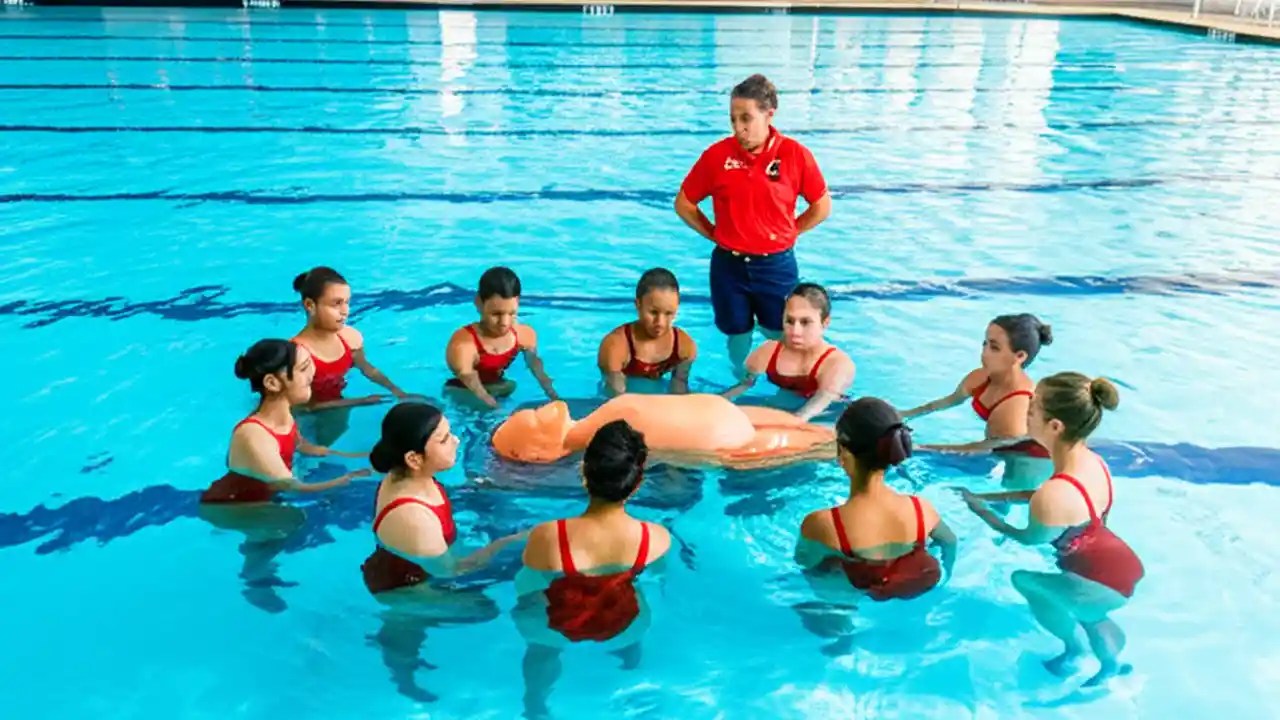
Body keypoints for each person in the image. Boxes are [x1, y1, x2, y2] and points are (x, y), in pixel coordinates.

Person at [958, 373, 1144, 687]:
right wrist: (998, 497)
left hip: (1098, 585)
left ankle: (1078, 652)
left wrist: (983, 512)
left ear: (1055, 426)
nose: (1025, 414)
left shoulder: (1053, 495)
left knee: (1025, 581)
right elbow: (1067, 508)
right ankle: (1106, 652)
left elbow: (1027, 538)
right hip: (1121, 565)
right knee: (1091, 614)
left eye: (1031, 409)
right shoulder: (1094, 463)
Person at [359, 402, 518, 701]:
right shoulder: (414, 519)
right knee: (484, 609)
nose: (456, 440)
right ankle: (402, 667)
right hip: (403, 589)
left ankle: (401, 641)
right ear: (414, 458)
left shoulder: (406, 476)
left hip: (398, 566)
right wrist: (508, 543)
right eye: (444, 439)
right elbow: (451, 570)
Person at [675, 73, 831, 376]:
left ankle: (781, 381)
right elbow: (684, 203)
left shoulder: (795, 155)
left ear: (768, 114)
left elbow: (822, 206)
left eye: (746, 118)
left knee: (782, 333)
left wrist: (790, 231)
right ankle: (740, 375)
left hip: (776, 267)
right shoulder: (717, 156)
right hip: (728, 267)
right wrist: (714, 234)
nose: (739, 128)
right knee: (736, 332)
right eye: (733, 119)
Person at [514, 419, 672, 717]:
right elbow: (657, 580)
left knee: (541, 650)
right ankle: (629, 661)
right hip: (625, 624)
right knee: (632, 626)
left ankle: (535, 704)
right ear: (637, 484)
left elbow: (527, 586)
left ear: (583, 473)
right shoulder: (657, 538)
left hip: (553, 626)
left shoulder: (549, 535)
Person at [795, 398, 956, 601]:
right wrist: (947, 573)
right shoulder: (921, 510)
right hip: (912, 584)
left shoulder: (824, 524)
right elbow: (950, 542)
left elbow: (804, 562)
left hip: (848, 587)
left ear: (843, 453)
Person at [201, 339, 371, 505]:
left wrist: (357, 457)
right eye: (303, 369)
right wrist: (348, 479)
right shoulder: (254, 436)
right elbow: (290, 486)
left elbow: (303, 446)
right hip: (232, 507)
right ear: (272, 383)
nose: (312, 375)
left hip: (266, 496)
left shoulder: (285, 417)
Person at [901, 313, 1054, 489]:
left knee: (1004, 498)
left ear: (1019, 356)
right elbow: (946, 402)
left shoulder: (1013, 408)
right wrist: (905, 415)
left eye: (994, 348)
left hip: (1027, 459)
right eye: (985, 343)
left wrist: (920, 448)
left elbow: (981, 450)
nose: (984, 353)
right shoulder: (981, 377)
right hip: (995, 446)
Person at [491, 393, 834, 471]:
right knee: (828, 444)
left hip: (726, 419)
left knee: (815, 434)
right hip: (729, 445)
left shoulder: (597, 424)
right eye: (533, 419)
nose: (533, 411)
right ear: (537, 453)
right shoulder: (600, 441)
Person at [723, 283, 854, 420]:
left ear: (825, 323)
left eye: (805, 322)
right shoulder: (766, 353)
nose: (795, 332)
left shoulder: (837, 364)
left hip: (826, 416)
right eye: (789, 321)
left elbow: (820, 402)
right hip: (777, 404)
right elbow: (743, 385)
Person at [290, 266, 411, 409]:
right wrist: (360, 401)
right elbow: (305, 407)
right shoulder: (295, 354)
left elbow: (367, 368)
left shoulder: (349, 338)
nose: (345, 312)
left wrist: (397, 391)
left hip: (339, 405)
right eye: (336, 304)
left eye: (347, 302)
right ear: (310, 305)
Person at [446, 266, 559, 408]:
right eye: (496, 314)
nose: (504, 323)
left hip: (499, 387)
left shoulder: (524, 335)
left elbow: (535, 366)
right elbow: (468, 377)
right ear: (479, 303)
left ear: (518, 303)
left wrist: (553, 395)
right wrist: (493, 407)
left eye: (511, 313)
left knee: (510, 386)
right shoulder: (464, 343)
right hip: (463, 392)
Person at [596, 268, 697, 396]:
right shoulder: (616, 346)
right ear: (638, 305)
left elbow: (679, 390)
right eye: (653, 312)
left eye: (669, 313)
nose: (660, 322)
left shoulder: (684, 347)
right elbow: (615, 398)